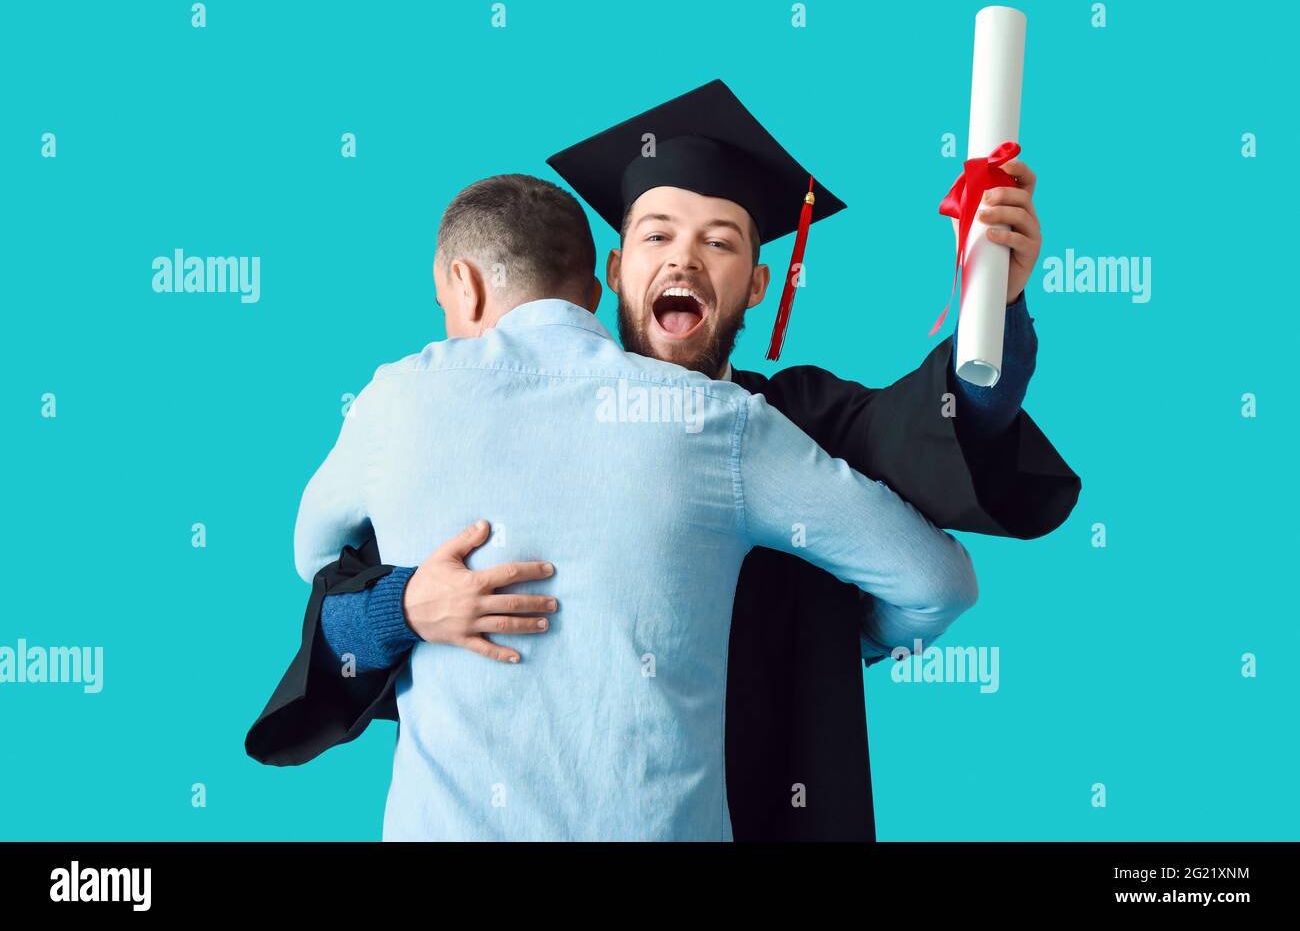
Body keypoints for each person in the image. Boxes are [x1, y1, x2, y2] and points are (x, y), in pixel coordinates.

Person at [246, 80, 1080, 841]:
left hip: (773, 796)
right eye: (657, 235)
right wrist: (407, 602)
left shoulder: (790, 420)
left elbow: (926, 431)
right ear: (613, 273)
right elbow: (346, 589)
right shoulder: (477, 418)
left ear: (757, 284)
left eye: (718, 242)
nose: (683, 258)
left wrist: (990, 308)